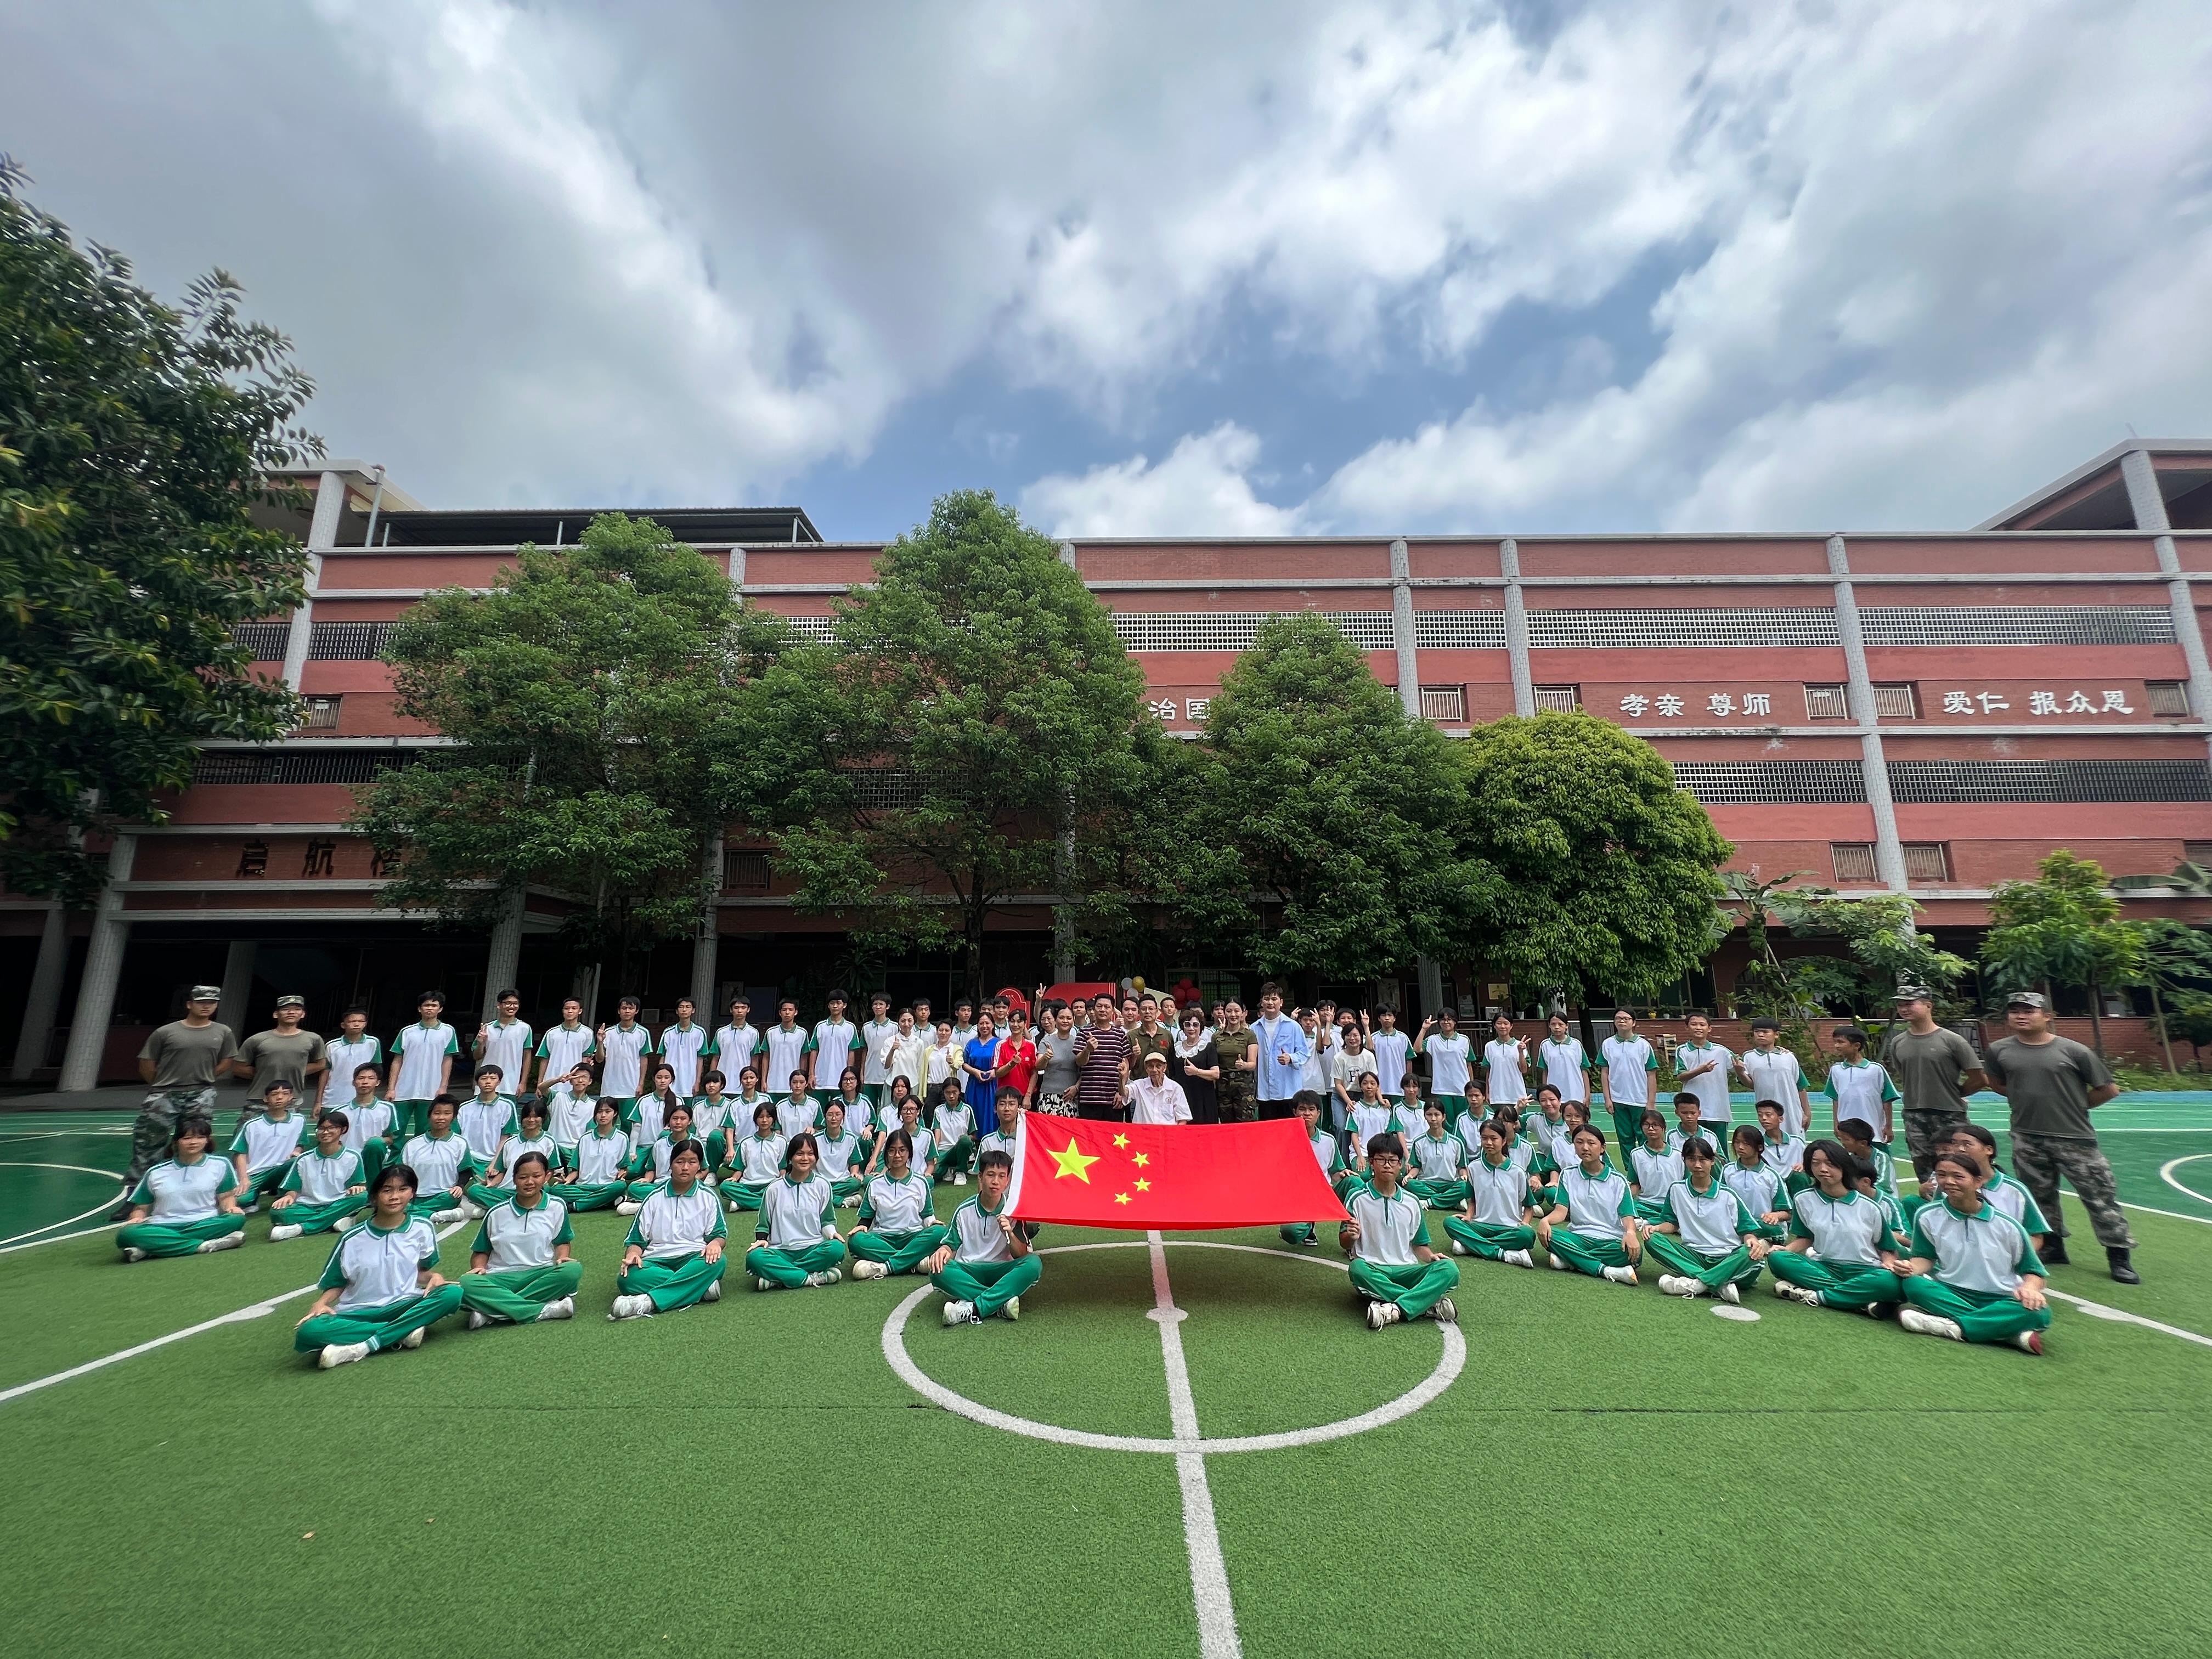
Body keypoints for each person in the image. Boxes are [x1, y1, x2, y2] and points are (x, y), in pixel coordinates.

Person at [1982, 990, 2137, 1282]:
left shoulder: (2074, 1051)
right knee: (2039, 1198)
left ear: (2048, 1017)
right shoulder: (1999, 1050)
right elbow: (1997, 1084)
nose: (2021, 1016)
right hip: (2027, 1137)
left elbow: (2109, 1089)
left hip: (2075, 1138)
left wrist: (2076, 1106)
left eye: (2029, 1011)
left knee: (2099, 1197)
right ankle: (2053, 1247)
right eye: (2015, 1011)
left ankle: (2119, 1255)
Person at [292, 1164, 464, 1367]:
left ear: (412, 1194)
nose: (395, 1197)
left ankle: (367, 1344)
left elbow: (418, 1272)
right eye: (387, 1190)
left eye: (403, 1189)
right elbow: (337, 1282)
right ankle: (402, 1331)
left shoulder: (422, 1228)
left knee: (452, 1294)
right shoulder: (352, 1238)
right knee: (310, 1330)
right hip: (358, 1312)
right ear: (374, 1196)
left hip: (403, 1304)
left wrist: (434, 1277)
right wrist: (321, 1303)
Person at [1898, 1150, 2053, 1353]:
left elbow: (2034, 1272)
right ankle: (2004, 1332)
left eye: (1958, 1176)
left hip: (2000, 1297)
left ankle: (1951, 1327)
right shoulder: (1927, 1215)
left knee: (2040, 1313)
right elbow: (1924, 1257)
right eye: (1942, 1175)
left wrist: (2030, 1288)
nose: (1949, 1182)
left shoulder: (2008, 1225)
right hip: (1951, 1291)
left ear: (1978, 1182)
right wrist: (1910, 1267)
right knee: (1913, 1284)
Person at [119, 985, 236, 1213]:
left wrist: (206, 1077)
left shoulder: (223, 1032)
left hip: (201, 1094)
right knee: (148, 1146)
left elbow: (227, 1061)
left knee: (198, 1144)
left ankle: (202, 1194)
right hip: (165, 1094)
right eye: (201, 1002)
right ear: (190, 1004)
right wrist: (161, 1086)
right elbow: (147, 1064)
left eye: (211, 1003)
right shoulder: (166, 1032)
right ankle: (136, 1199)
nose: (206, 1006)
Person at [1767, 1139, 1908, 1314]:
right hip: (1824, 1267)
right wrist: (1787, 1250)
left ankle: (1818, 1296)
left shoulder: (1869, 1206)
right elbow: (1806, 1238)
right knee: (1778, 1259)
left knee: (1890, 1281)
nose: (1823, 1169)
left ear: (1843, 1167)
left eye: (1830, 1164)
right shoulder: (1803, 1199)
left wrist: (1889, 1264)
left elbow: (1887, 1248)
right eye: (1816, 1163)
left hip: (1865, 1270)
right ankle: (1859, 1299)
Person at [1340, 1135, 1460, 1328]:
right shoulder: (1357, 1198)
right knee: (1357, 1269)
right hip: (1373, 1269)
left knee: (1449, 1269)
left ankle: (1395, 1309)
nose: (1387, 1165)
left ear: (1400, 1165)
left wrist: (1431, 1257)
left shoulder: (1412, 1202)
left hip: (1407, 1270)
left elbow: (1419, 1245)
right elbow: (1344, 1242)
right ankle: (1426, 1305)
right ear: (1372, 1163)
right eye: (1381, 1160)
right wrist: (1351, 1237)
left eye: (1392, 1160)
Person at [609, 1138, 727, 1319]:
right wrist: (633, 1255)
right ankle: (700, 1288)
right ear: (671, 1164)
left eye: (692, 1162)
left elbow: (719, 1236)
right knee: (627, 1278)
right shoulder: (654, 1197)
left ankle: (647, 1302)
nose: (685, 1168)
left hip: (692, 1257)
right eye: (680, 1162)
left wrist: (715, 1244)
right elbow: (636, 1241)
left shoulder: (708, 1197)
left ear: (699, 1167)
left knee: (718, 1261)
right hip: (656, 1261)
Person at [460, 1152, 581, 1328]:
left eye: (536, 1176)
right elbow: (481, 1251)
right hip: (501, 1278)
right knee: (466, 1283)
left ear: (547, 1177)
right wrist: (479, 1267)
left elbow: (562, 1241)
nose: (530, 1182)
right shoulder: (496, 1213)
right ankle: (542, 1310)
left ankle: (493, 1311)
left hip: (540, 1274)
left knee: (572, 1270)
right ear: (514, 1179)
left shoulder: (557, 1206)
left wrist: (563, 1256)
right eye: (523, 1177)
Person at [1881, 986, 1988, 1184]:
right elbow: (1904, 1075)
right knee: (1924, 1169)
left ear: (1928, 1006)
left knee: (1959, 1165)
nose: (1904, 1009)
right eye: (1900, 1005)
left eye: (1910, 1004)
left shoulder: (1952, 1040)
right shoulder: (1898, 1042)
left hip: (1950, 1114)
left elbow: (1979, 1078)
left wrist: (1956, 1093)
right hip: (1914, 1114)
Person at [925, 1148, 1041, 1325]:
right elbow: (950, 1246)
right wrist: (943, 1251)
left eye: (1001, 1176)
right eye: (991, 1175)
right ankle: (999, 1303)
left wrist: (1009, 1234)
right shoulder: (964, 1210)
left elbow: (1022, 1254)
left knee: (1034, 1263)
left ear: (1008, 1181)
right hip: (970, 1270)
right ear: (980, 1177)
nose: (995, 1182)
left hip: (1001, 1271)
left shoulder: (1013, 1211)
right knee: (938, 1268)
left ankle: (972, 1307)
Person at [1645, 1136, 1764, 1303]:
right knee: (1652, 1240)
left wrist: (1752, 1240)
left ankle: (1698, 1284)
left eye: (1703, 1160)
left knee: (1749, 1253)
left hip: (1727, 1257)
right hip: (1694, 1256)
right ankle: (1717, 1283)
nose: (1697, 1165)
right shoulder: (1677, 1189)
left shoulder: (1728, 1195)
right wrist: (1656, 1228)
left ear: (1712, 1161)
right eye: (1691, 1159)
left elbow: (1747, 1230)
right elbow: (1671, 1224)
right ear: (1684, 1160)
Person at [117, 1114, 246, 1260]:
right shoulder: (156, 1172)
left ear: (207, 1140)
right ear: (176, 1141)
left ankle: (153, 1247)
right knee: (126, 1234)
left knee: (236, 1219)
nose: (194, 1142)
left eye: (200, 1138)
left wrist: (231, 1208)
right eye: (187, 1138)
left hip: (204, 1223)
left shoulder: (221, 1164)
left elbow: (226, 1197)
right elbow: (141, 1208)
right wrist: (137, 1218)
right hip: (163, 1226)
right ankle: (204, 1246)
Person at [1538, 1124, 1643, 1285]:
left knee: (1633, 1253)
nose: (1585, 1148)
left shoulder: (1618, 1180)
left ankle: (1571, 1260)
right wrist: (1545, 1221)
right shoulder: (1567, 1174)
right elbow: (1561, 1211)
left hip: (1609, 1240)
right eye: (1579, 1143)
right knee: (1552, 1236)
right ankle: (1605, 1270)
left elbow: (1627, 1217)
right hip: (1578, 1236)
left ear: (1602, 1148)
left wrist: (1630, 1233)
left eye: (1591, 1143)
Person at [744, 1131, 848, 1290]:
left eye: (810, 1154)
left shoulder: (822, 1185)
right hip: (781, 1250)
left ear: (816, 1157)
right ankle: (810, 1278)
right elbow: (764, 1224)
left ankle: (780, 1276)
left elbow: (827, 1220)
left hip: (812, 1248)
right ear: (790, 1157)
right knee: (755, 1257)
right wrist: (762, 1239)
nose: (805, 1158)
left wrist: (832, 1233)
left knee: (837, 1249)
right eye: (799, 1154)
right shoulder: (774, 1188)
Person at [849, 1130, 952, 1278]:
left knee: (940, 1232)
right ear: (886, 1154)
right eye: (892, 1151)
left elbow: (927, 1216)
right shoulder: (875, 1184)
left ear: (909, 1153)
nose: (897, 1155)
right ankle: (913, 1262)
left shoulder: (920, 1182)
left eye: (902, 1150)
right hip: (883, 1238)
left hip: (913, 1237)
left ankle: (886, 1267)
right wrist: (862, 1226)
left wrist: (932, 1223)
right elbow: (866, 1219)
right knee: (856, 1241)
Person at [1931, 1123, 2052, 1242]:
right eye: (1955, 1144)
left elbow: (2035, 1235)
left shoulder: (2014, 1189)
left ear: (1988, 1150)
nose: (1959, 1149)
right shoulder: (1947, 1186)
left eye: (1967, 1144)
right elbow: (1934, 1224)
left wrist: (2014, 1254)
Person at [1443, 1119, 1539, 1267]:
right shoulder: (1474, 1168)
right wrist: (1468, 1216)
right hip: (1481, 1226)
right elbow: (1472, 1200)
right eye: (1484, 1138)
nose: (1489, 1143)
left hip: (1510, 1228)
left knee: (1527, 1235)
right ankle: (1503, 1254)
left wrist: (1525, 1222)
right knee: (1450, 1223)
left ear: (1504, 1141)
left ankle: (1471, 1246)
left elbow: (1528, 1206)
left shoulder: (1518, 1172)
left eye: (1494, 1139)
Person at [268, 1109, 373, 1239]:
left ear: (343, 1130)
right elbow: (293, 1188)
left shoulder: (353, 1157)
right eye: (321, 1129)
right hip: (307, 1206)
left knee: (361, 1197)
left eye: (331, 1128)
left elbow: (358, 1185)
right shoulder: (303, 1159)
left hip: (337, 1203)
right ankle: (336, 1221)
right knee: (277, 1211)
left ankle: (301, 1229)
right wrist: (288, 1197)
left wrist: (357, 1187)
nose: (325, 1132)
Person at [227, 994, 326, 1126]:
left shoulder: (313, 1039)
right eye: (285, 1009)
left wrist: (299, 1070)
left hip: (291, 1098)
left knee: (288, 1135)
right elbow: (238, 1068)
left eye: (297, 1009)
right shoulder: (257, 1039)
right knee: (248, 1133)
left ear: (303, 1014)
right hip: (260, 1097)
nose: (291, 1012)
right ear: (276, 1014)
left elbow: (321, 1064)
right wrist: (263, 1073)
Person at [385, 991, 461, 1138]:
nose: (430, 1008)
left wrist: (443, 1087)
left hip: (431, 1090)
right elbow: (397, 1060)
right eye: (426, 1005)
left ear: (440, 1009)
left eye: (434, 1005)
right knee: (396, 1132)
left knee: (424, 1131)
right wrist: (391, 1088)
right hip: (403, 1090)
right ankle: (395, 1155)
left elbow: (447, 1060)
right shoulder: (407, 1032)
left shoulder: (448, 1031)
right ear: (420, 1009)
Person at [1281, 1093, 1352, 1246]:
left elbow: (1335, 1171)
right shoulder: (1284, 1140)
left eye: (1312, 1109)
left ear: (1318, 1113)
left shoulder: (1328, 1140)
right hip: (1297, 1197)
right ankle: (1308, 1226)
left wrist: (1343, 1173)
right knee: (1290, 1232)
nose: (1307, 1114)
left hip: (1324, 1194)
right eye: (1302, 1109)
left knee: (1354, 1182)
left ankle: (1349, 1235)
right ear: (1295, 1112)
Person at [228, 1080, 309, 1213]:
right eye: (275, 1094)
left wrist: (297, 1151)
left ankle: (287, 1194)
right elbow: (240, 1153)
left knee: (298, 1161)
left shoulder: (299, 1120)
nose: (280, 1098)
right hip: (256, 1173)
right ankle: (252, 1199)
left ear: (291, 1097)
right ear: (266, 1099)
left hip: (282, 1168)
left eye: (285, 1094)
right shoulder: (251, 1125)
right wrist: (244, 1179)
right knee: (240, 1200)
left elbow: (301, 1143)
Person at [469, 1098, 562, 1211]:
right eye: (527, 1117)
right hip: (507, 1190)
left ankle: (501, 1207)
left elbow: (551, 1171)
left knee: (546, 1191)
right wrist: (491, 1184)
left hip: (533, 1189)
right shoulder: (510, 1142)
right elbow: (502, 1171)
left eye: (536, 1117)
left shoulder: (549, 1142)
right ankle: (515, 1207)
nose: (531, 1120)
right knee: (474, 1190)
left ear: (543, 1119)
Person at [396, 1097, 476, 1223]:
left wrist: (460, 1186)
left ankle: (411, 1212)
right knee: (396, 1202)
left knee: (453, 1197)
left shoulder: (460, 1143)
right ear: (429, 1116)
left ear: (454, 1118)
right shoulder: (412, 1145)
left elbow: (466, 1170)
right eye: (437, 1113)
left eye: (447, 1113)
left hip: (444, 1195)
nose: (441, 1118)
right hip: (414, 1196)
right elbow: (401, 1172)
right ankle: (435, 1216)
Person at [1820, 1024, 1900, 1148]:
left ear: (1857, 1046)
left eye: (1841, 1042)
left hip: (1874, 1128)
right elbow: (1836, 1099)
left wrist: (1889, 1127)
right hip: (1847, 1128)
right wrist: (1836, 1124)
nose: (1836, 1046)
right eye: (1835, 1042)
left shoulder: (1876, 1069)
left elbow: (1887, 1099)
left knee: (1876, 1156)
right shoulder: (1836, 1070)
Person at [1598, 1009, 1659, 1165]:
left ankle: (1647, 1167)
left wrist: (1651, 1103)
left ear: (1634, 1022)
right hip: (1618, 1100)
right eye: (1618, 1018)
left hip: (1640, 1100)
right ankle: (1630, 1169)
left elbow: (1651, 1074)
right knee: (1625, 1138)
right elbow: (1604, 1073)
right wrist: (1608, 1099)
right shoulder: (1607, 1044)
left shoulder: (1643, 1045)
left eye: (1626, 1018)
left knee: (1644, 1135)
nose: (1622, 1021)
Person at [552, 1096, 633, 1211]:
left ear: (615, 1114)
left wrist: (622, 1175)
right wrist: (567, 1181)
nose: (603, 1115)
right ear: (595, 1115)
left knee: (620, 1186)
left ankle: (576, 1206)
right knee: (556, 1190)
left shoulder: (622, 1138)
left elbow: (624, 1168)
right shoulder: (585, 1138)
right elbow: (575, 1169)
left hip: (607, 1186)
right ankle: (608, 1201)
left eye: (608, 1111)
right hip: (583, 1187)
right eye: (600, 1112)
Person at [1735, 1018, 1812, 1138]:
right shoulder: (1749, 1057)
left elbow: (1800, 1086)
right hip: (1766, 1111)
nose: (1760, 1035)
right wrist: (1740, 1072)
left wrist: (1807, 1113)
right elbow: (1752, 1085)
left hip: (1792, 1111)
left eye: (1765, 1032)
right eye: (1757, 1031)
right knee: (1770, 1142)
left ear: (1776, 1035)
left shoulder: (1789, 1057)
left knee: (1795, 1143)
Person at [1719, 1125, 1793, 1243]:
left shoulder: (1771, 1176)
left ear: (1760, 1147)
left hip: (1764, 1228)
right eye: (1737, 1142)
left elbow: (1788, 1213)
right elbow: (1720, 1202)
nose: (1740, 1147)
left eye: (1746, 1143)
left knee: (1760, 1230)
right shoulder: (1728, 1171)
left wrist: (1775, 1216)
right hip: (1737, 1225)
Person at [1672, 1012, 1731, 1146]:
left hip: (1718, 1110)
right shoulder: (1682, 1050)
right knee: (1694, 1149)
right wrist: (1701, 1070)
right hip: (1692, 1110)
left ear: (1709, 1029)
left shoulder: (1721, 1051)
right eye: (1694, 1024)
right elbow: (1680, 1076)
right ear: (1687, 1028)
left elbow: (1739, 1065)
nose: (1698, 1028)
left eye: (1702, 1025)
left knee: (1719, 1150)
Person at [1074, 992, 1133, 1121]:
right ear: (1094, 1009)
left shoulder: (1120, 1034)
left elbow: (1126, 1065)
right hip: (1089, 1099)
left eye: (1107, 1007)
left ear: (1112, 1011)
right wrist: (1087, 1050)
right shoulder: (1084, 1032)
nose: (1103, 1010)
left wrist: (1121, 1091)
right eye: (1099, 1006)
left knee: (1113, 1133)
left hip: (1114, 1099)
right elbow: (1079, 1062)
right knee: (1089, 1133)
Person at [334, 1063, 397, 1181]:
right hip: (346, 1156)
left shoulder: (387, 1108)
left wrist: (374, 1143)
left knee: (375, 1144)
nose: (365, 1082)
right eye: (361, 1078)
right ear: (354, 1083)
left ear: (378, 1083)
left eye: (371, 1078)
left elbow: (391, 1138)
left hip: (374, 1155)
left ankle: (373, 1188)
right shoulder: (339, 1111)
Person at [1404, 1101, 1471, 1210]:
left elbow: (1461, 1167)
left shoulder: (1456, 1142)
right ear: (1425, 1116)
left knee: (1464, 1186)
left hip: (1449, 1184)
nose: (1433, 1119)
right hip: (1426, 1184)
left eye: (1437, 1115)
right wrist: (1409, 1176)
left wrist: (1464, 1176)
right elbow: (1417, 1166)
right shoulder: (1419, 1141)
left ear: (1443, 1117)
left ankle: (1429, 1202)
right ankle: (1451, 1201)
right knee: (1409, 1184)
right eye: (1429, 1115)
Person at [456, 1064, 518, 1179]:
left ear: (499, 1082)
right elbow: (456, 1135)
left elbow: (505, 1138)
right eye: (484, 1079)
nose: (488, 1082)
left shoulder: (507, 1106)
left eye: (493, 1078)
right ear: (477, 1082)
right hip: (466, 1160)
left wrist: (495, 1164)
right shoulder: (464, 1107)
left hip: (491, 1161)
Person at [726, 1102, 789, 1212]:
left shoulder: (781, 1142)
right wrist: (735, 1179)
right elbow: (740, 1169)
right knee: (725, 1186)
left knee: (784, 1188)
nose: (765, 1120)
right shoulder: (746, 1142)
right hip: (748, 1185)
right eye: (761, 1117)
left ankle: (743, 1202)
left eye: (768, 1117)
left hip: (770, 1184)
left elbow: (782, 1168)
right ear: (756, 1120)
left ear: (774, 1120)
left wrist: (782, 1182)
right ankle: (768, 1203)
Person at [475, 990, 534, 1102]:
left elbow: (527, 1057)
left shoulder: (525, 1028)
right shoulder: (488, 1028)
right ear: (499, 1005)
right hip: (487, 1083)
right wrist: (481, 1042)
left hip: (511, 1085)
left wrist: (523, 1082)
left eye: (515, 1003)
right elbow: (477, 1056)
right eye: (508, 1003)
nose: (512, 1006)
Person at [1627, 1109, 1685, 1222]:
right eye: (1646, 1125)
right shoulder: (1636, 1154)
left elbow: (1685, 1183)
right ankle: (1666, 1220)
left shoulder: (1678, 1155)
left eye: (1655, 1125)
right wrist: (1627, 1200)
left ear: (1664, 1128)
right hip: (1646, 1204)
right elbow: (1635, 1183)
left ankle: (1650, 1221)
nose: (1651, 1129)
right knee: (1628, 1207)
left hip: (1671, 1203)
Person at [532, 998, 596, 1101]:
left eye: (574, 1008)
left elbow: (585, 1061)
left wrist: (583, 1084)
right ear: (563, 1011)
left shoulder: (587, 1033)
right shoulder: (552, 1033)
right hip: (551, 1082)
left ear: (580, 1011)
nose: (570, 1011)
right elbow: (544, 1059)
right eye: (567, 1008)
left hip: (574, 1083)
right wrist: (540, 1084)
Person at [323, 1006, 382, 1113]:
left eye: (361, 1021)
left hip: (361, 1098)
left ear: (365, 1024)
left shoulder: (373, 1043)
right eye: (352, 1021)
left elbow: (376, 1071)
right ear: (343, 1025)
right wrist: (318, 1101)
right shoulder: (331, 1046)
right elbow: (325, 1072)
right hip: (333, 1098)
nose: (357, 1024)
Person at [1414, 1008, 1472, 1115]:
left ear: (1455, 1022)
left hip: (1461, 1087)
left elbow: (1469, 1064)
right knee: (1445, 1119)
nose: (1446, 1022)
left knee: (1463, 1118)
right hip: (1442, 1088)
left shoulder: (1464, 1040)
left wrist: (1471, 1086)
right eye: (1443, 1020)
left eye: (1449, 1019)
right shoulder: (1433, 1040)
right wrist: (1424, 1029)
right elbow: (1417, 1049)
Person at [1169, 1011, 1222, 1125]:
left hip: (1204, 1098)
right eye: (1187, 1025)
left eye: (1195, 1025)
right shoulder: (1175, 1048)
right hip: (1182, 1098)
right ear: (1183, 1027)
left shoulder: (1208, 1047)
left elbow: (1216, 1074)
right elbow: (1172, 1075)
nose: (1191, 1028)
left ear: (1201, 1027)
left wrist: (1196, 1071)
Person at [596, 997, 653, 1103]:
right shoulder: (608, 1032)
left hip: (631, 1088)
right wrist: (600, 1042)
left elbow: (644, 1059)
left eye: (631, 1008)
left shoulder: (643, 1032)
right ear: (619, 1011)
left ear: (636, 1011)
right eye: (624, 1008)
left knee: (629, 1115)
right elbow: (599, 1059)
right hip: (609, 1087)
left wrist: (641, 1084)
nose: (627, 1011)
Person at [960, 1011, 1007, 1138]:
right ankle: (974, 1144)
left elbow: (1005, 1064)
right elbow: (964, 1064)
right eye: (981, 1023)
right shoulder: (972, 1043)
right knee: (974, 1113)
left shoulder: (1000, 1043)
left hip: (993, 1085)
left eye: (987, 1023)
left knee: (992, 1113)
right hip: (975, 1085)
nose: (984, 1026)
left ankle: (991, 1141)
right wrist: (975, 1072)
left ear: (993, 1025)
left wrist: (994, 1073)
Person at [815, 1099, 869, 1207]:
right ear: (825, 1117)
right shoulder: (816, 1138)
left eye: (838, 1114)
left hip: (843, 1182)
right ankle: (842, 1200)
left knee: (855, 1183)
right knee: (814, 1187)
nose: (834, 1118)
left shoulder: (850, 1138)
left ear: (843, 1117)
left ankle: (822, 1196)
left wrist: (854, 1172)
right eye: (830, 1115)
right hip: (821, 1181)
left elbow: (854, 1162)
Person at [655, 998, 710, 1097]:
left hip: (690, 1083)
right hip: (669, 1082)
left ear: (693, 1010)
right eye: (681, 1007)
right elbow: (663, 1057)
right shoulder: (668, 1032)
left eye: (688, 1007)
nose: (684, 1010)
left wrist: (697, 1082)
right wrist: (660, 1078)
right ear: (677, 1011)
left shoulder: (699, 1032)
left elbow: (700, 1059)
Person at [1032, 1002, 1081, 1111]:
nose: (1065, 1021)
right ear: (1055, 1020)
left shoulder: (1078, 1042)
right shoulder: (1047, 1041)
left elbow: (1085, 1071)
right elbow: (1039, 1066)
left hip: (1071, 1096)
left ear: (1073, 1020)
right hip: (1049, 1096)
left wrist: (1077, 1087)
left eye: (1069, 1018)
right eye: (1061, 1018)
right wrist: (1046, 1057)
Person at [1328, 1025, 1377, 1132]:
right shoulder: (1339, 1058)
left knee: (1363, 1126)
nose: (1352, 1038)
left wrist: (1380, 1099)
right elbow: (1338, 1084)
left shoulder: (1369, 1056)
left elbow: (1374, 1081)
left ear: (1361, 1037)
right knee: (1341, 1127)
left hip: (1362, 1095)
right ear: (1344, 1038)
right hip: (1341, 1096)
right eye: (1348, 1035)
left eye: (1355, 1035)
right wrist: (1349, 1102)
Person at [811, 989, 862, 1092]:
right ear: (828, 1006)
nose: (835, 1006)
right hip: (820, 1079)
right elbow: (814, 1050)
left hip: (841, 1079)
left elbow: (851, 1053)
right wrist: (811, 1074)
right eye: (832, 1003)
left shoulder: (850, 1027)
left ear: (845, 1005)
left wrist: (849, 1075)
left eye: (838, 1003)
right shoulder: (820, 1026)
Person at [1125, 1048, 1193, 1125]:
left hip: (1167, 1132)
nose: (1154, 1070)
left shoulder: (1176, 1088)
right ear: (1146, 1069)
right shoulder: (1139, 1085)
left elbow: (1183, 1119)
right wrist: (1123, 1076)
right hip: (1143, 1131)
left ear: (1164, 1068)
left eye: (1158, 1066)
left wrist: (1174, 1133)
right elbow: (1124, 1093)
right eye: (1150, 1066)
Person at [930, 1077, 979, 1183]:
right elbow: (937, 1134)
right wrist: (934, 1154)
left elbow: (974, 1135)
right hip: (943, 1151)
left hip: (960, 1149)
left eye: (954, 1092)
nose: (951, 1096)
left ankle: (961, 1172)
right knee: (934, 1172)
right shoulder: (938, 1110)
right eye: (948, 1093)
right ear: (944, 1093)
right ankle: (948, 1169)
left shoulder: (967, 1110)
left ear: (959, 1092)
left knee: (965, 1141)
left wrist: (964, 1139)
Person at [1536, 1013, 1590, 1105]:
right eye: (1553, 1024)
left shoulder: (1576, 1044)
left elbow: (1584, 1070)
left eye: (1561, 1024)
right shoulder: (1545, 1045)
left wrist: (1587, 1095)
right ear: (1549, 1025)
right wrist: (1545, 1093)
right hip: (1554, 1095)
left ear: (1567, 1026)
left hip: (1576, 1094)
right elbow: (1545, 1071)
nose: (1557, 1027)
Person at [544, 1062, 599, 1152]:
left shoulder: (594, 1106)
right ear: (571, 1080)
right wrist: (559, 1079)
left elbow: (591, 1132)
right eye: (576, 1077)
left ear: (590, 1081)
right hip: (554, 1146)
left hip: (577, 1149)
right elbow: (542, 1088)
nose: (580, 1080)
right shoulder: (558, 1097)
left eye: (584, 1077)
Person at [1755, 1099, 1807, 1191]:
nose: (1764, 1118)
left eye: (1768, 1115)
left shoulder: (1797, 1142)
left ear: (1780, 1119)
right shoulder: (1758, 1145)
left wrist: (1804, 1165)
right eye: (1760, 1115)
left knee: (1800, 1177)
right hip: (1771, 1184)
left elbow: (1810, 1162)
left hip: (1795, 1182)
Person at [859, 992, 900, 1108]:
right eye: (875, 1004)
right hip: (869, 1076)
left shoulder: (895, 1027)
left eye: (881, 1004)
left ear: (888, 1007)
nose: (878, 1007)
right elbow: (865, 1051)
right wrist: (862, 1072)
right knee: (869, 1108)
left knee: (887, 1108)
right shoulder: (866, 1027)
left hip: (887, 1075)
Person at [713, 995, 760, 1093]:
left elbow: (754, 1058)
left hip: (743, 1082)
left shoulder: (753, 1033)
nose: (740, 1011)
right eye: (736, 1008)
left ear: (748, 1010)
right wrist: (713, 1080)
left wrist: (752, 1081)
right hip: (722, 1082)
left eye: (743, 1008)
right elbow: (716, 1058)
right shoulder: (721, 1032)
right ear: (731, 1010)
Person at [1364, 1006, 1412, 1101]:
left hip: (1399, 1086)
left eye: (1390, 1015)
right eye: (1383, 1015)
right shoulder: (1373, 1038)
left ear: (1394, 1018)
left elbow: (1409, 1060)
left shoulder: (1403, 1038)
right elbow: (1368, 1049)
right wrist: (1366, 1026)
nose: (1387, 1018)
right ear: (1379, 1018)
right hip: (1379, 1087)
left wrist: (1408, 1081)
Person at [1482, 1014, 1529, 1107]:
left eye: (1506, 1023)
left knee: (1518, 1117)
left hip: (1517, 1094)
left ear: (1511, 1026)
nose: (1503, 1026)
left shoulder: (1520, 1045)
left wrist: (1520, 1052)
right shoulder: (1489, 1046)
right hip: (1496, 1095)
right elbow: (1489, 1071)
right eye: (1499, 1023)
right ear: (1494, 1026)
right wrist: (1487, 1092)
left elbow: (1524, 1070)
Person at [775, 1068, 822, 1141]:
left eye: (802, 1082)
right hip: (787, 1145)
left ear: (806, 1084)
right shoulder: (781, 1106)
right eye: (794, 1082)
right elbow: (777, 1131)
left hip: (807, 1145)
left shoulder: (814, 1104)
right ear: (790, 1084)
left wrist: (813, 1131)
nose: (798, 1085)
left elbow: (820, 1128)